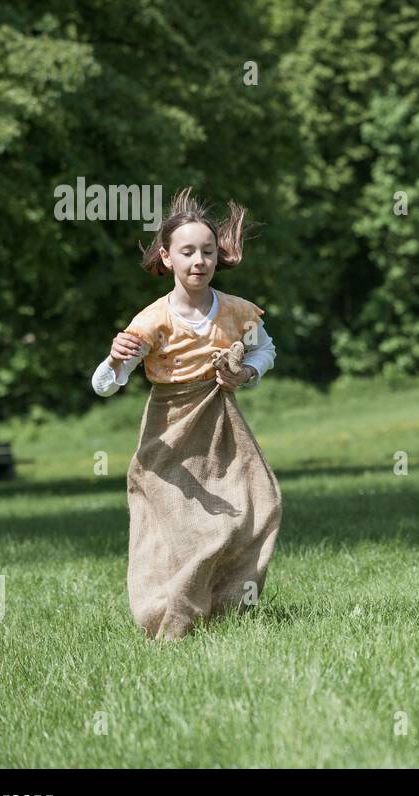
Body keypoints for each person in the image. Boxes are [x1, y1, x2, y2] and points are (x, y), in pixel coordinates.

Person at [92, 187, 281, 639]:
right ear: (167, 257)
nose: (199, 261)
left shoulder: (237, 311)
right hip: (169, 430)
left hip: (223, 426)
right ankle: (170, 614)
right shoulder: (152, 320)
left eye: (208, 251)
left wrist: (247, 372)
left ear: (219, 256)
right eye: (188, 251)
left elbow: (267, 350)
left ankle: (230, 609)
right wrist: (115, 361)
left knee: (259, 507)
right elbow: (103, 385)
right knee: (190, 528)